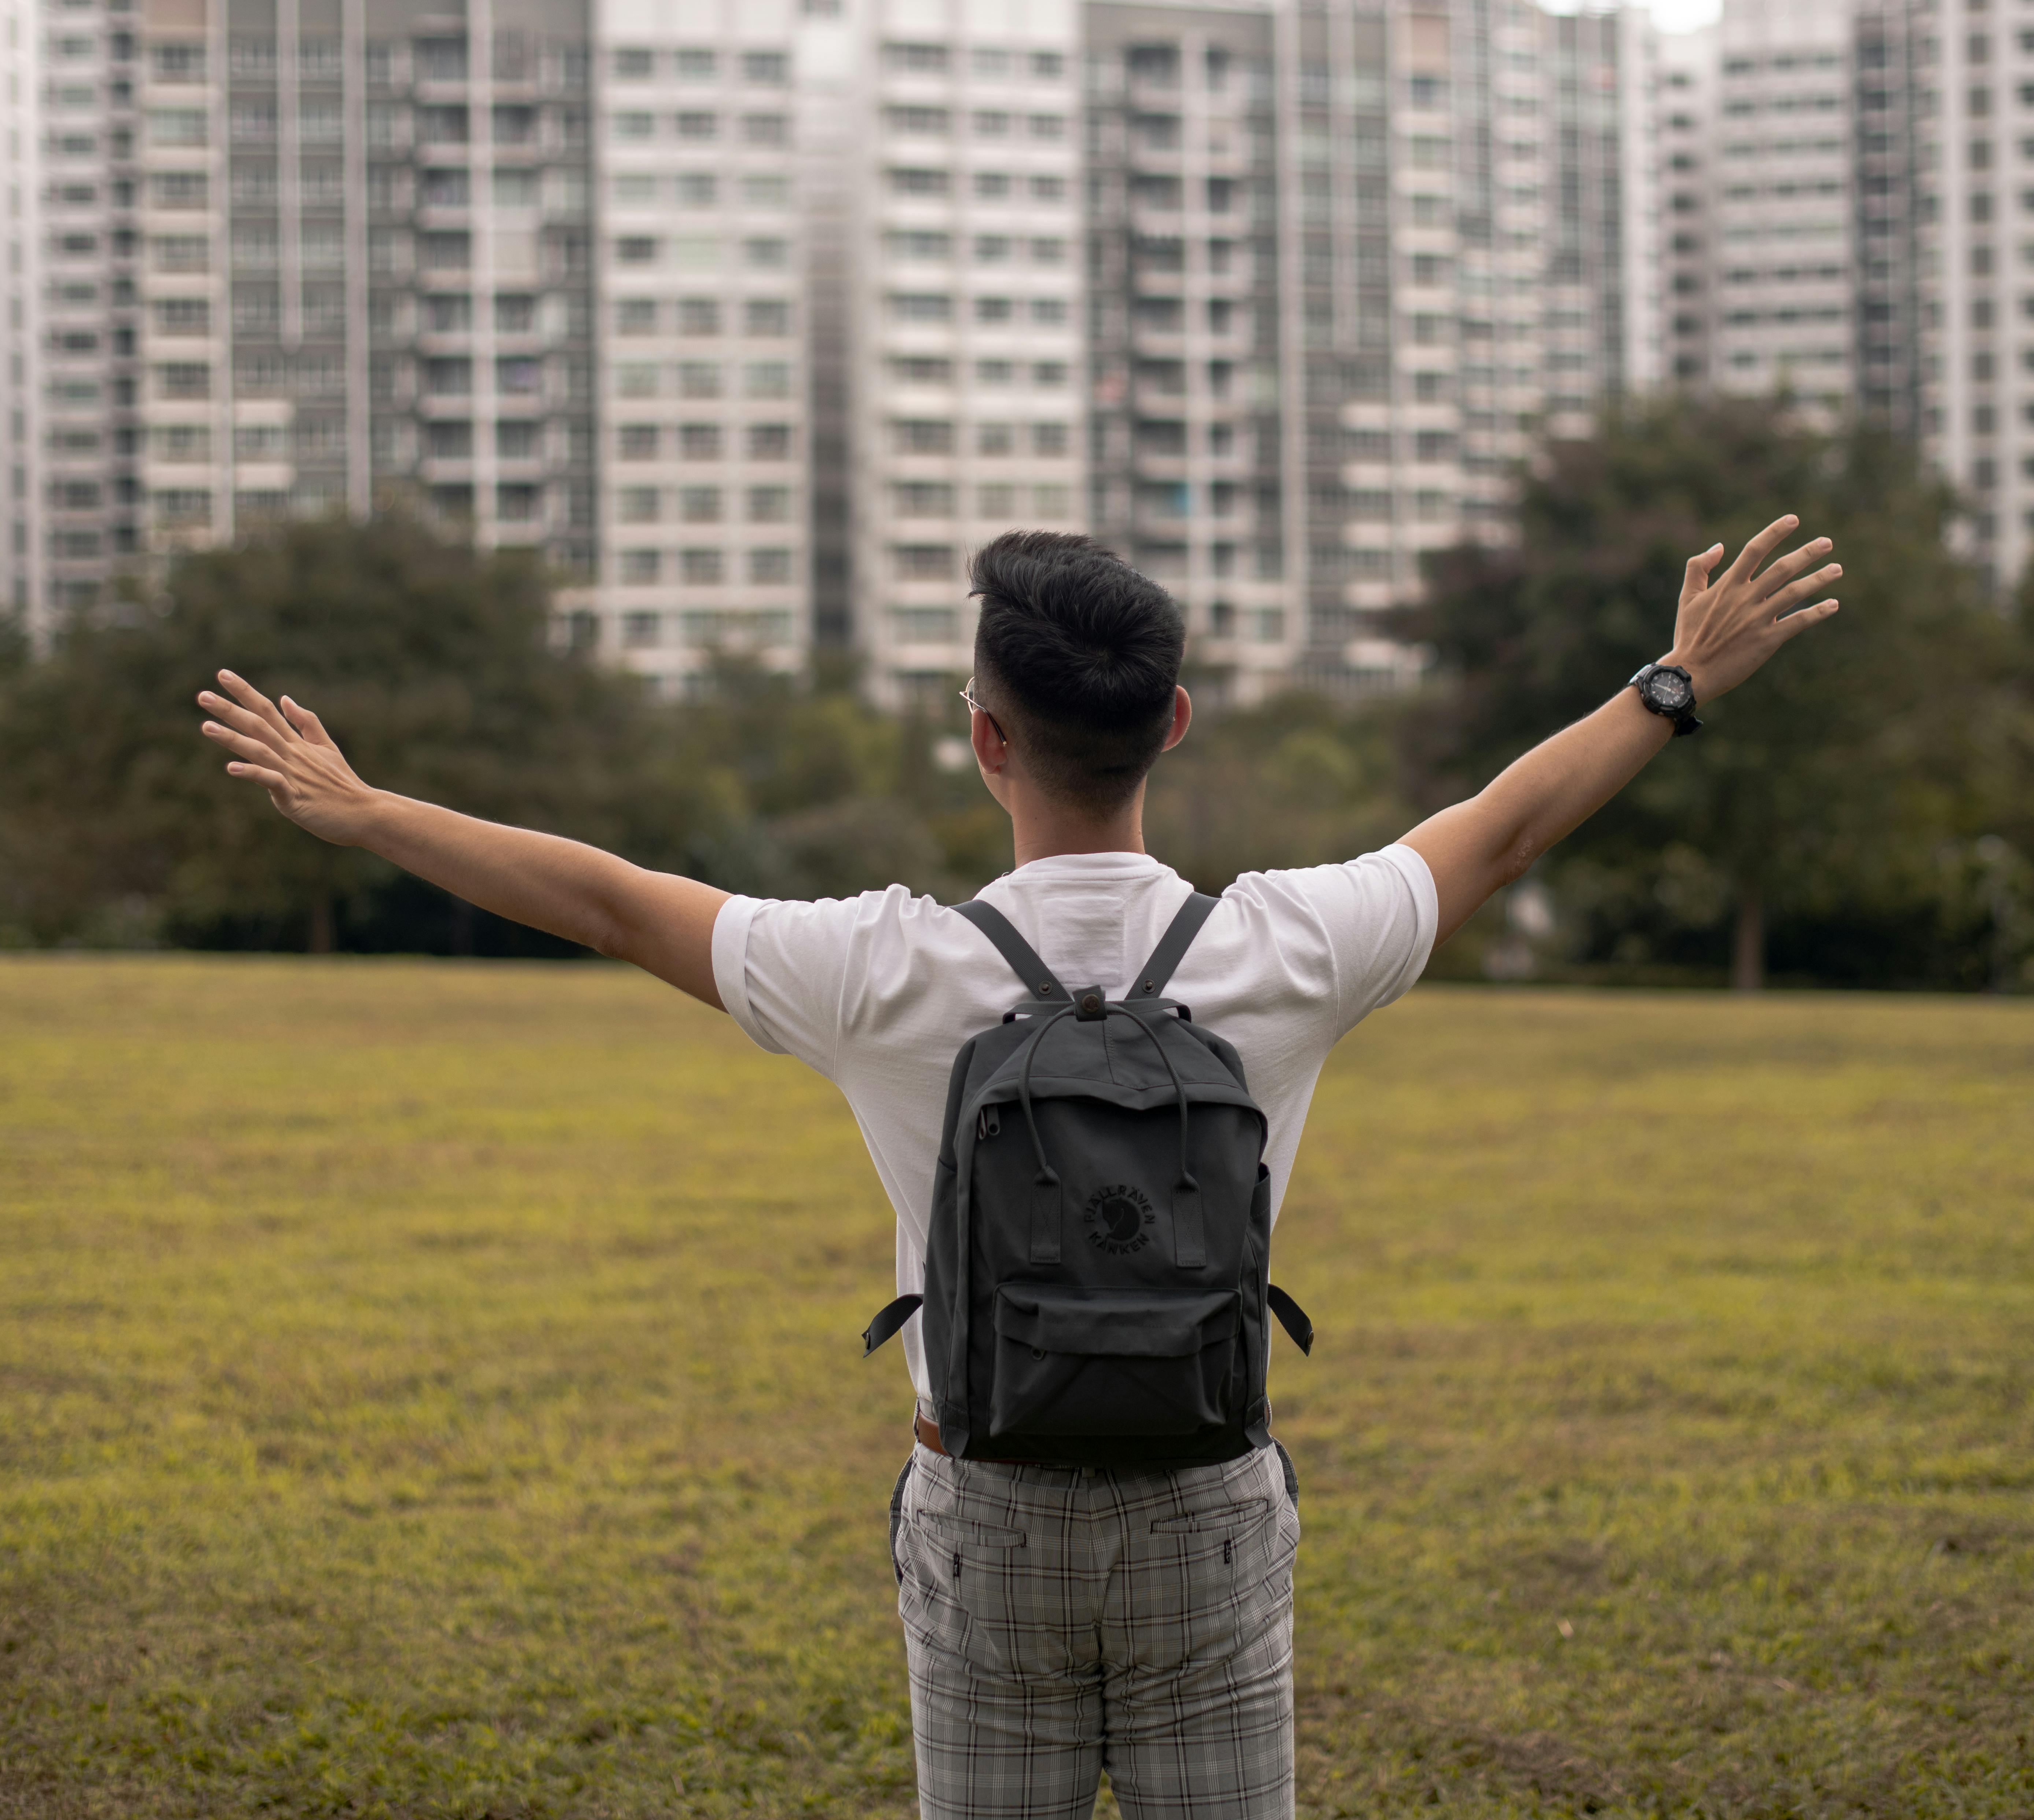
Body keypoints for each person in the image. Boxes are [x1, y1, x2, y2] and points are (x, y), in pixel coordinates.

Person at [195, 517, 1842, 1819]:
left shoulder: (881, 970)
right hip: (1208, 1497)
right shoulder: (1289, 944)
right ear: (1173, 723)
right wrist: (1670, 682)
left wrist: (363, 807)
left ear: (982, 735)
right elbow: (1502, 825)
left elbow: (615, 898)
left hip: (981, 1503)